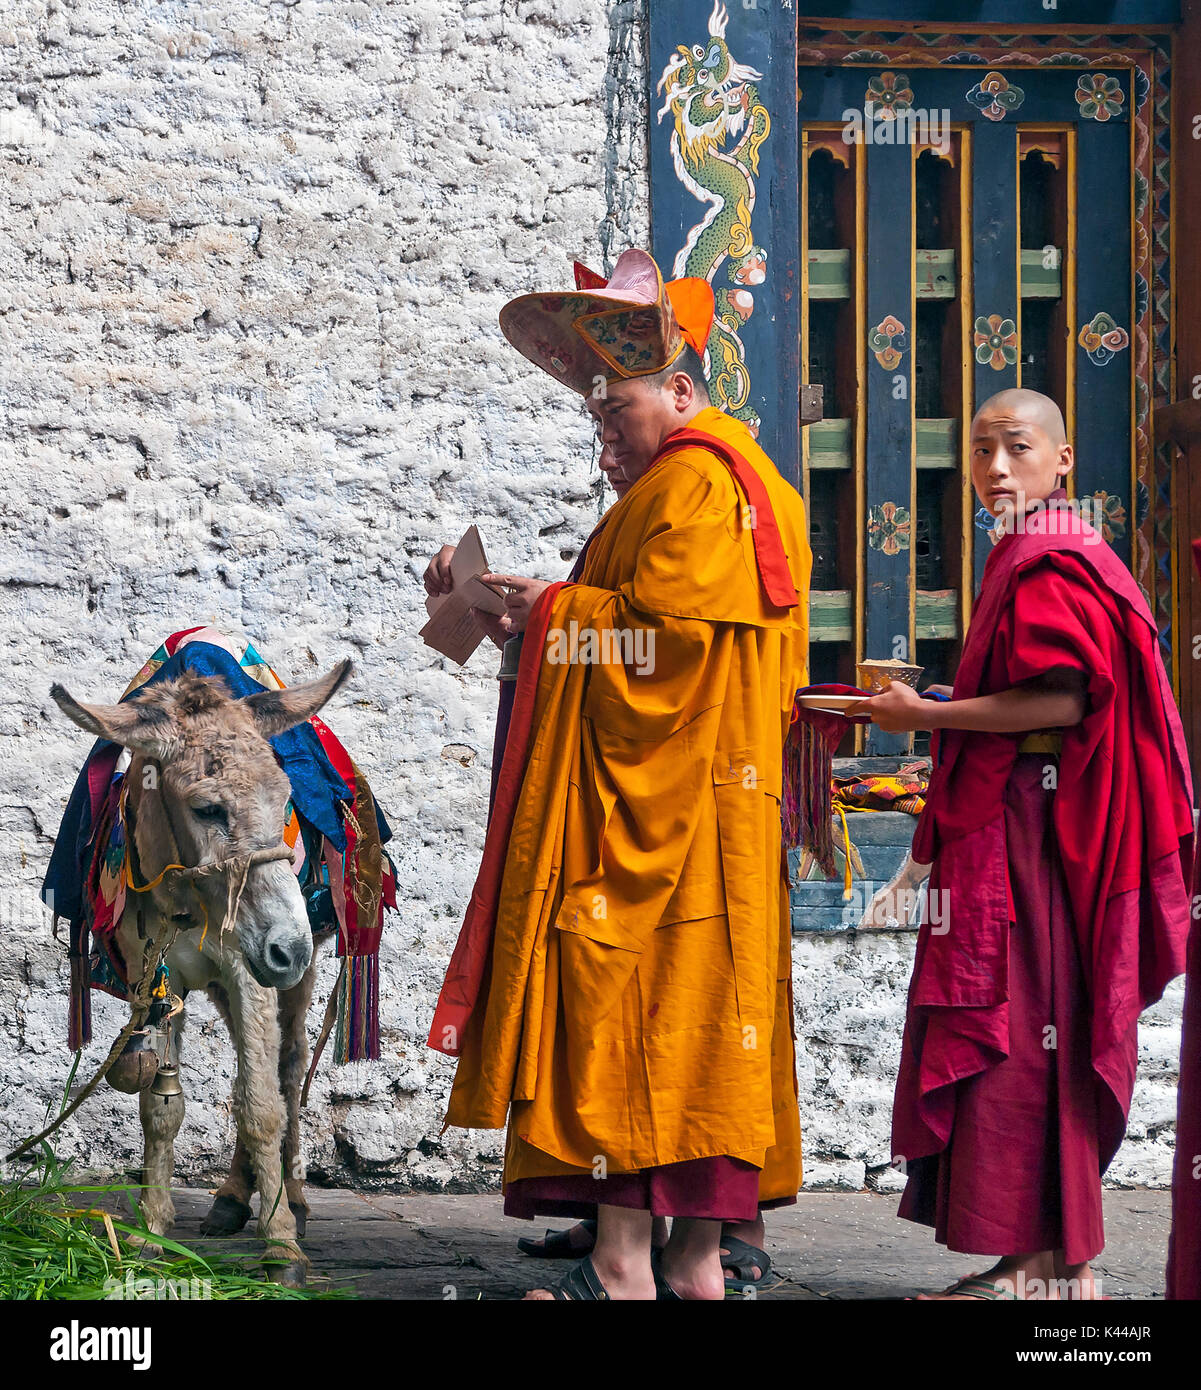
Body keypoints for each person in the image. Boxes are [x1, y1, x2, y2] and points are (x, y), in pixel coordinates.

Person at [424, 248, 812, 1300]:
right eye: (593, 420)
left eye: (617, 414)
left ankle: (627, 1264)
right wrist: (524, 614)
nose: (604, 440)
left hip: (665, 816)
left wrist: (540, 612)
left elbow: (660, 651)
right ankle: (688, 1265)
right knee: (684, 1022)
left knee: (632, 1010)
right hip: (699, 810)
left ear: (680, 393)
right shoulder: (705, 483)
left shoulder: (699, 484)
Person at [850, 388, 1194, 1301]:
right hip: (1036, 821)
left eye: (1017, 448)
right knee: (1033, 1032)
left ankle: (1044, 1270)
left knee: (1020, 1034)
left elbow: (1063, 699)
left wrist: (924, 715)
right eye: (980, 450)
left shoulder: (1047, 560)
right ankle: (1044, 1262)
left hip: (1038, 831)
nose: (996, 468)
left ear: (1062, 460)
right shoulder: (1052, 549)